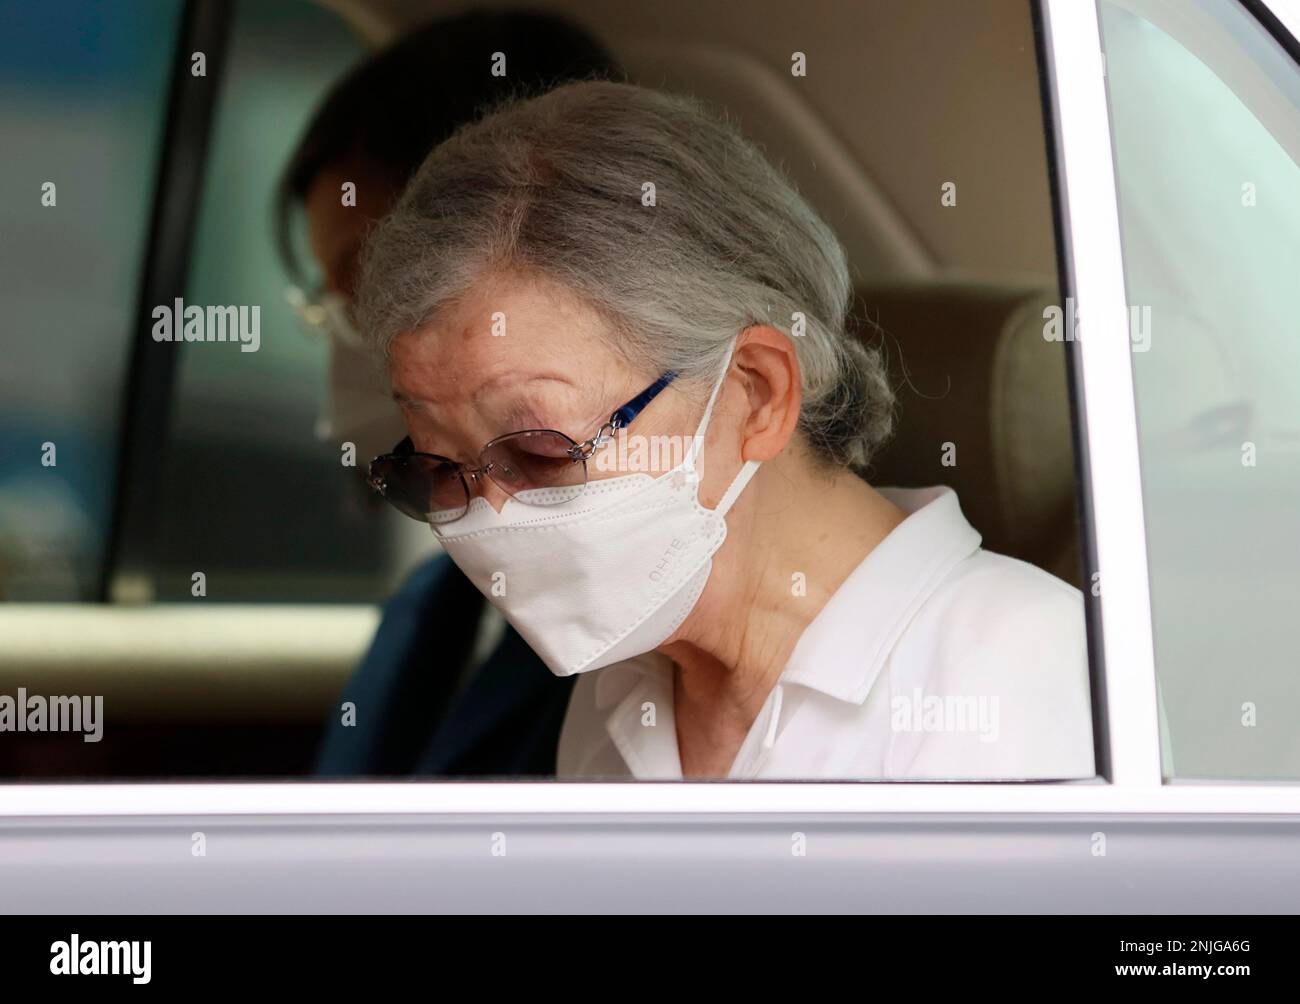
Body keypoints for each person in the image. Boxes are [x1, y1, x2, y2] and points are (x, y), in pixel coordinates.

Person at [357, 81, 1096, 779]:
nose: (490, 520)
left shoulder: (1010, 668)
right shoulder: (621, 690)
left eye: (538, 450)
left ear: (758, 393)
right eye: (439, 468)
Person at [276, 11, 618, 776]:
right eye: (330, 299)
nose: (352, 334)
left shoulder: (638, 614)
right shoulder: (436, 598)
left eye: (370, 283)